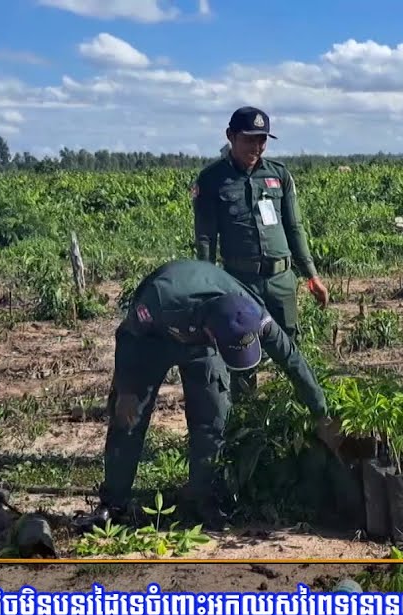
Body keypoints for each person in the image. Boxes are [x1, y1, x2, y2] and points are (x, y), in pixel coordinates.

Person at [84, 259, 340, 532]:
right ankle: (113, 503)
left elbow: (292, 360)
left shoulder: (254, 314)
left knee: (213, 416)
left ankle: (202, 498)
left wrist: (320, 412)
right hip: (151, 341)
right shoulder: (160, 300)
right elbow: (128, 336)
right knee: (129, 418)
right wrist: (125, 390)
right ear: (212, 332)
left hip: (201, 347)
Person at [192, 106, 331, 400]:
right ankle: (247, 420)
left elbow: (295, 228)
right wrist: (206, 290)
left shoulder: (278, 174)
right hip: (241, 282)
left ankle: (292, 412)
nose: (256, 147)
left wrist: (312, 276)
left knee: (290, 350)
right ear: (230, 136)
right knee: (242, 352)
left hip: (282, 279)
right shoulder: (212, 179)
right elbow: (206, 239)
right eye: (249, 139)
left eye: (262, 140)